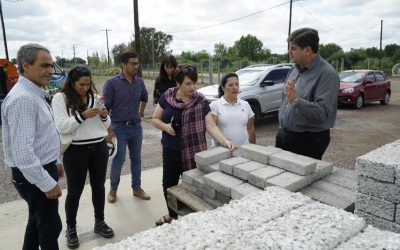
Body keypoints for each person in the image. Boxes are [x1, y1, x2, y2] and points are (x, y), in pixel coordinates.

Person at [152, 64, 234, 226]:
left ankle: (193, 219)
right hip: (171, 150)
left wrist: (225, 141)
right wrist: (165, 126)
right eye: (188, 84)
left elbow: (210, 125)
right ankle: (172, 215)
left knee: (194, 184)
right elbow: (155, 119)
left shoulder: (200, 100)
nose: (193, 87)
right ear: (178, 83)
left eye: (194, 83)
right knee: (169, 184)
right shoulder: (167, 97)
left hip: (194, 152)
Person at [1, 43, 63, 250]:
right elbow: (23, 154)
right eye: (44, 65)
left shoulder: (34, 92)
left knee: (36, 224)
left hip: (43, 167)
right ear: (26, 66)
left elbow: (44, 134)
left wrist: (56, 161)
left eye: (51, 66)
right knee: (50, 228)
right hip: (34, 174)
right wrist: (47, 183)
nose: (50, 71)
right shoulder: (23, 99)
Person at [52, 66, 114, 248]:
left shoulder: (95, 97)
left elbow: (107, 124)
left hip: (99, 147)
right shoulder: (60, 98)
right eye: (81, 84)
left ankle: (99, 222)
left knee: (99, 187)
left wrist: (104, 115)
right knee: (74, 191)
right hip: (75, 151)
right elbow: (62, 126)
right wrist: (82, 116)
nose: (85, 88)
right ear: (71, 82)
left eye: (88, 84)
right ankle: (71, 228)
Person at [276, 27, 340, 160]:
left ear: (308, 51)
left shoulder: (327, 74)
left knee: (298, 179)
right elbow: (285, 98)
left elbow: (323, 113)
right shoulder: (294, 69)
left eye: (293, 48)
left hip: (308, 140)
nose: (289, 52)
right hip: (285, 135)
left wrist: (296, 101)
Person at [103, 51, 150, 203]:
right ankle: (113, 190)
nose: (136, 66)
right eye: (133, 63)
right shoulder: (111, 83)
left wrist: (140, 113)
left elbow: (144, 98)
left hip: (136, 127)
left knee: (136, 158)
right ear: (123, 65)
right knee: (119, 159)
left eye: (137, 63)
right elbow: (105, 109)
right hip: (118, 128)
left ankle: (137, 189)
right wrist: (108, 130)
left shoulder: (140, 82)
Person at [210, 72, 256, 147]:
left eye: (237, 84)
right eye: (230, 85)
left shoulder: (245, 104)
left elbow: (250, 128)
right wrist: (224, 142)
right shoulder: (215, 105)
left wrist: (253, 146)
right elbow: (212, 129)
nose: (235, 87)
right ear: (223, 87)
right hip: (223, 151)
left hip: (244, 149)